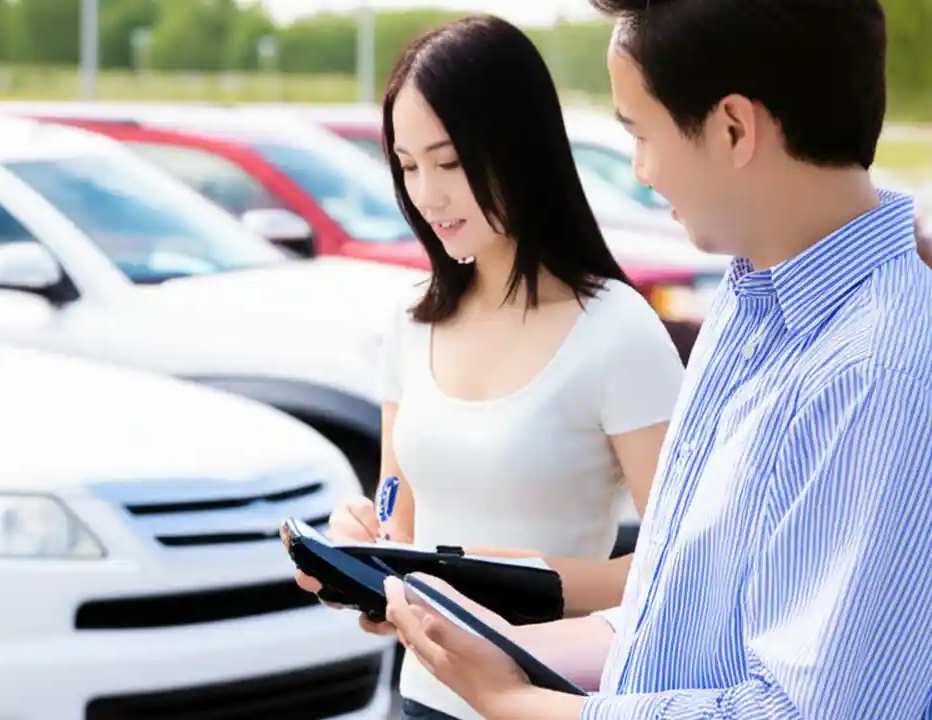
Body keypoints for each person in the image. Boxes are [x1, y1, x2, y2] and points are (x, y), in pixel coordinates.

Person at [382, 0, 932, 718]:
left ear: (734, 128)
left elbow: (806, 710)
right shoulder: (748, 301)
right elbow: (670, 622)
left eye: (640, 134)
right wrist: (486, 644)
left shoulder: (877, 371)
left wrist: (520, 704)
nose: (640, 173)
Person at [293, 14, 685, 720]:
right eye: (408, 167)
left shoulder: (618, 331)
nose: (428, 195)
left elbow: (679, 570)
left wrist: (508, 583)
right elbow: (398, 521)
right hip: (419, 697)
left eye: (449, 162)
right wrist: (365, 555)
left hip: (549, 700)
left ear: (520, 147)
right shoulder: (411, 320)